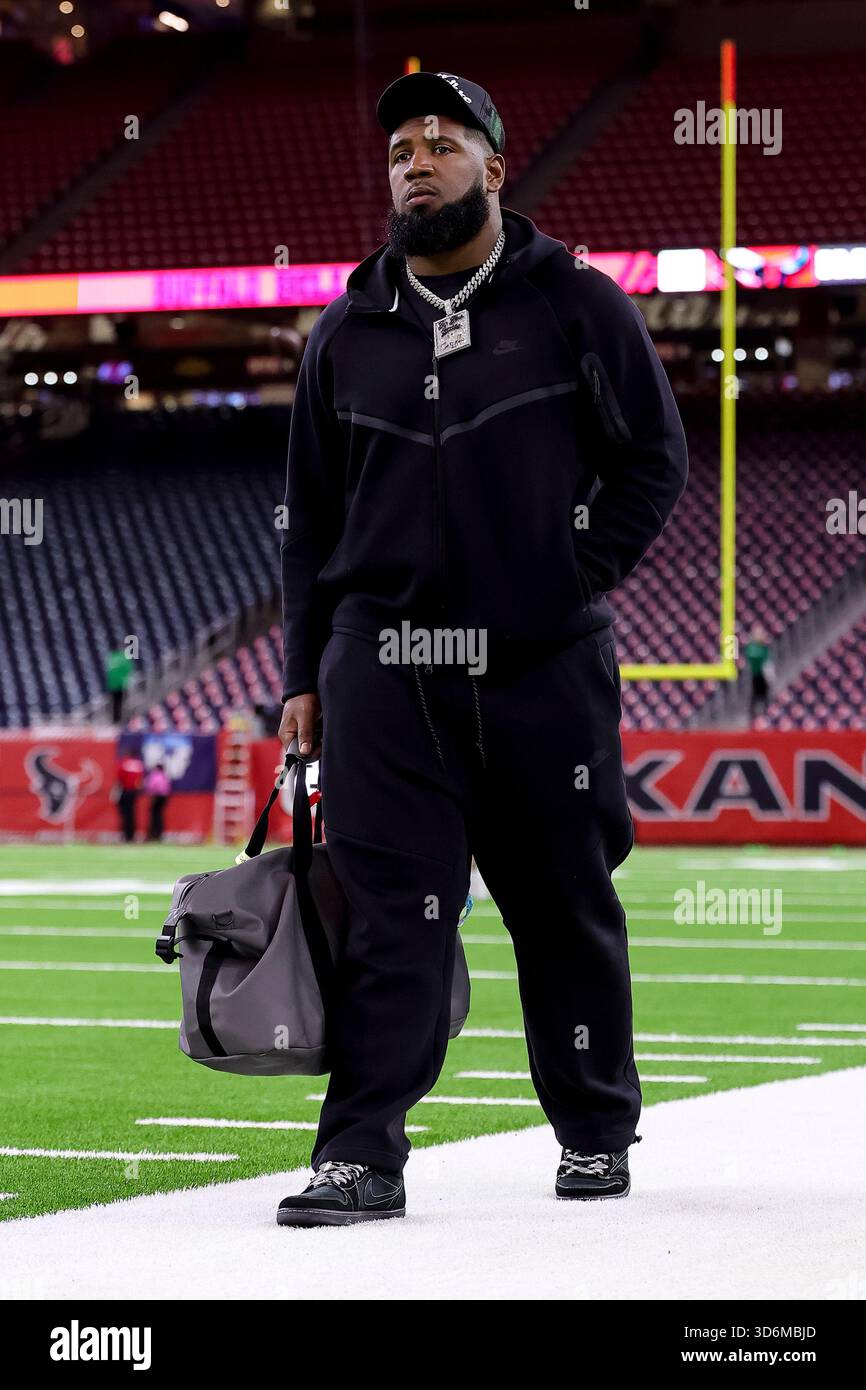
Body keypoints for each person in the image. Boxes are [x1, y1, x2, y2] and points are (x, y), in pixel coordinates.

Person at [276, 71, 688, 1227]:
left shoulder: (574, 304)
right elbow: (308, 524)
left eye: (442, 143)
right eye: (400, 149)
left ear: (493, 169)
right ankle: (359, 1152)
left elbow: (652, 459)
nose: (416, 163)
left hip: (539, 664)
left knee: (561, 908)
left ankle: (593, 1130)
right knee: (388, 915)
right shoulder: (345, 330)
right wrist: (302, 673)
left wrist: (570, 575)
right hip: (382, 668)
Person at [744, 624, 773, 723]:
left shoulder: (764, 648)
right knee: (755, 699)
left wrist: (769, 676)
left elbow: (767, 663)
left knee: (764, 699)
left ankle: (764, 719)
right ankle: (754, 719)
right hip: (754, 677)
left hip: (762, 677)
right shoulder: (752, 648)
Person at [115, 751, 144, 843]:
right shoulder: (139, 765)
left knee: (124, 814)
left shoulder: (123, 763)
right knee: (132, 813)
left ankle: (125, 834)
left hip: (125, 790)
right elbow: (140, 780)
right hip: (134, 792)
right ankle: (131, 834)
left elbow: (119, 778)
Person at [105, 645, 133, 724]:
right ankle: (120, 719)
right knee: (120, 703)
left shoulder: (113, 658)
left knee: (118, 704)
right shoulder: (120, 658)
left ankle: (119, 720)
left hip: (116, 685)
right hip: (118, 685)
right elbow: (128, 670)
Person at [144, 763, 171, 842]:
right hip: (164, 797)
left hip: (156, 796)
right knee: (159, 815)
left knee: (154, 815)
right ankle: (159, 833)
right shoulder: (165, 776)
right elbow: (168, 788)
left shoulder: (154, 775)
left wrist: (150, 793)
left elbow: (151, 786)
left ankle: (153, 833)